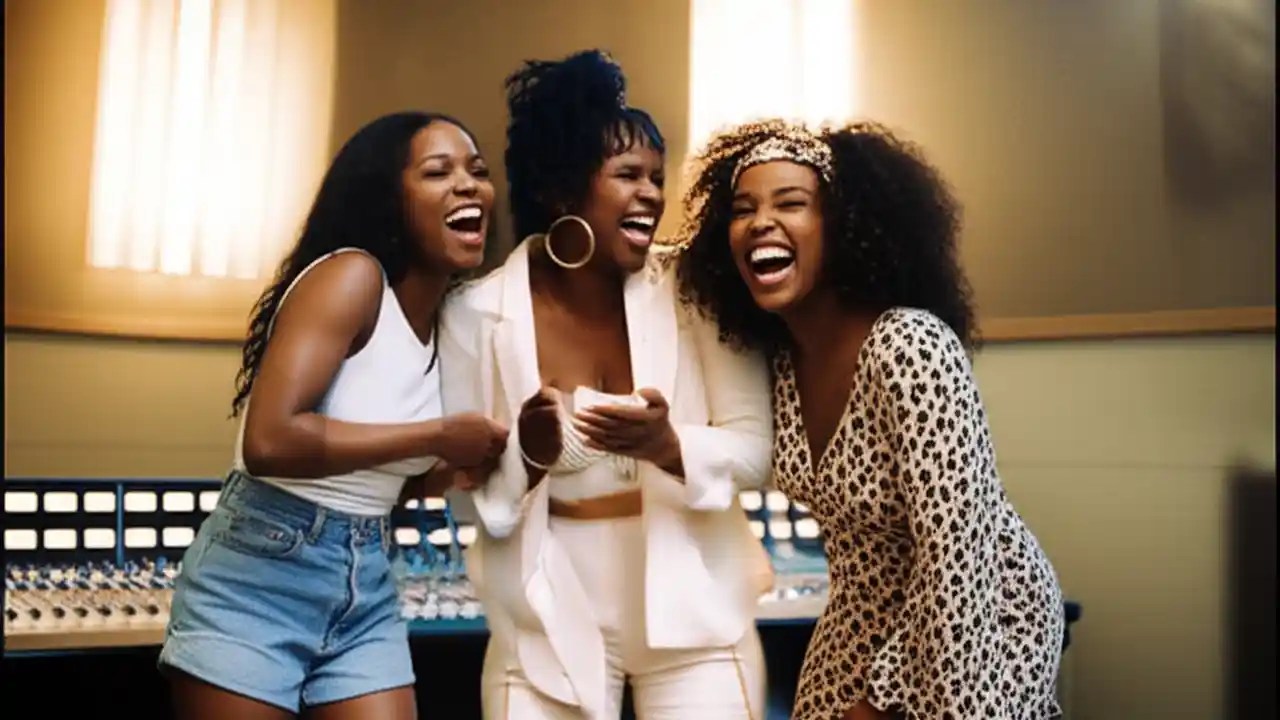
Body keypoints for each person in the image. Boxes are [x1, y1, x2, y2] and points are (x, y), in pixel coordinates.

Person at [675, 119, 1065, 720]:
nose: (760, 223)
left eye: (791, 203)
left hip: (977, 617)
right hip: (859, 620)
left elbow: (955, 556)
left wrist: (885, 701)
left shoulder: (910, 347)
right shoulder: (774, 364)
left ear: (844, 226)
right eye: (742, 209)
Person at [438, 50, 774, 719]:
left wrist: (666, 446)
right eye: (627, 176)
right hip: (544, 615)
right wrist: (527, 458)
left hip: (698, 610)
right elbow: (466, 502)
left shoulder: (695, 293)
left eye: (656, 176)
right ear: (564, 189)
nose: (651, 193)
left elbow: (754, 451)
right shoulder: (475, 313)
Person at [158, 112, 509, 720]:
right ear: (388, 195)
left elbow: (379, 484)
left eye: (477, 171)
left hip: (365, 575)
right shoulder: (352, 276)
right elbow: (271, 440)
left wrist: (453, 469)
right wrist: (438, 435)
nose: (468, 185)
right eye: (437, 171)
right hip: (259, 572)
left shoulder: (445, 323)